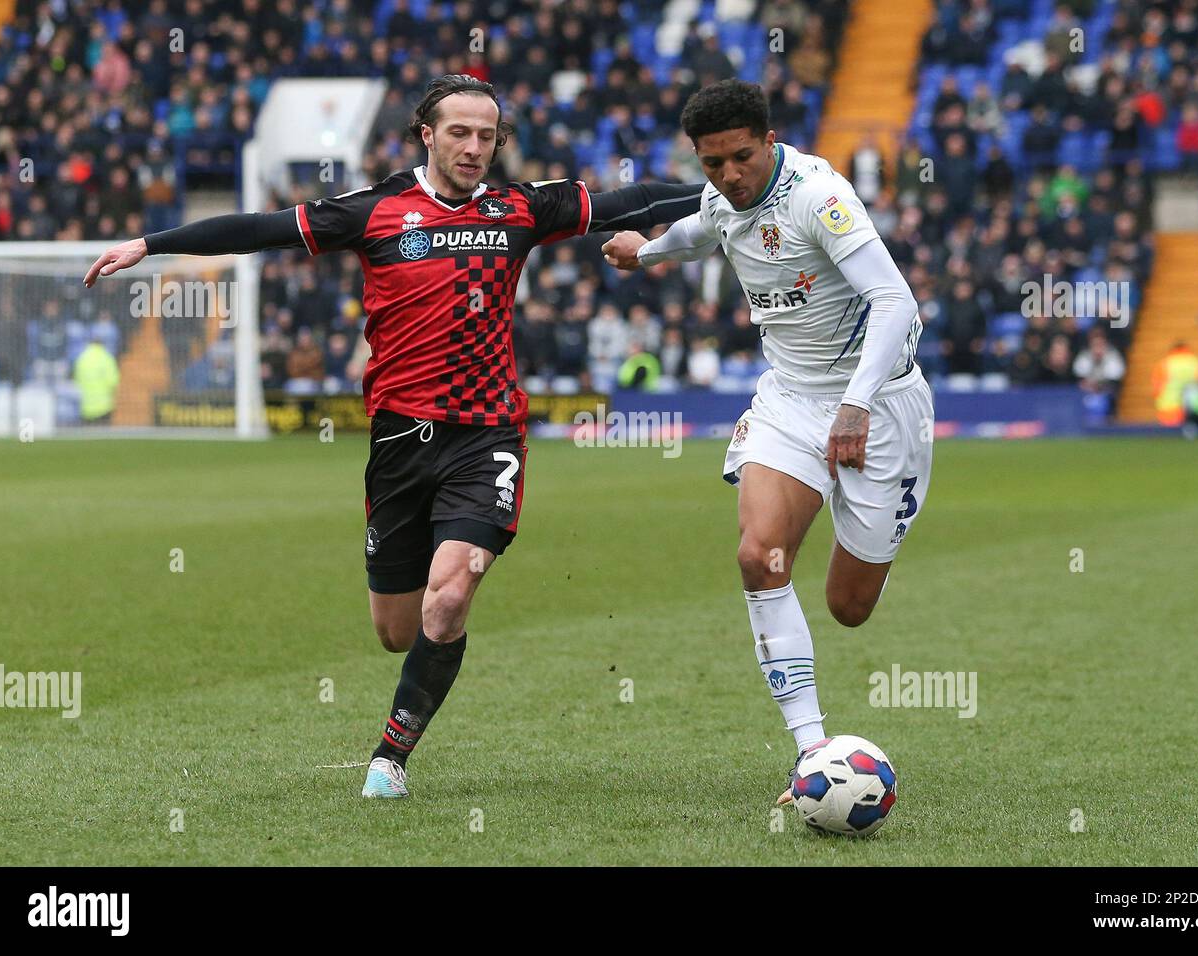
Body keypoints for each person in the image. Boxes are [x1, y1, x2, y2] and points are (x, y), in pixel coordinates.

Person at [84, 74, 703, 799]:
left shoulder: (522, 208)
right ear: (427, 134)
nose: (475, 148)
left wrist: (749, 183)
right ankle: (424, 669)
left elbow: (637, 201)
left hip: (487, 434)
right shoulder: (374, 211)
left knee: (449, 598)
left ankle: (389, 758)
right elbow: (260, 228)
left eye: (488, 135)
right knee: (398, 627)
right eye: (460, 133)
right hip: (399, 443)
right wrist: (149, 244)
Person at [602, 80, 932, 810]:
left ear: (770, 141)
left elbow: (895, 300)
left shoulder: (819, 195)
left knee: (849, 607)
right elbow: (700, 228)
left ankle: (875, 523)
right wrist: (647, 253)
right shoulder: (723, 196)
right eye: (712, 162)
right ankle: (812, 750)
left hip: (878, 405)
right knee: (759, 555)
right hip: (788, 401)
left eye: (741, 158)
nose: (728, 175)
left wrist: (855, 405)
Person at [73, 337, 121, 425]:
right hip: (103, 407)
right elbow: (113, 381)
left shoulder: (82, 358)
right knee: (103, 436)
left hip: (85, 407)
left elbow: (76, 380)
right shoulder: (106, 357)